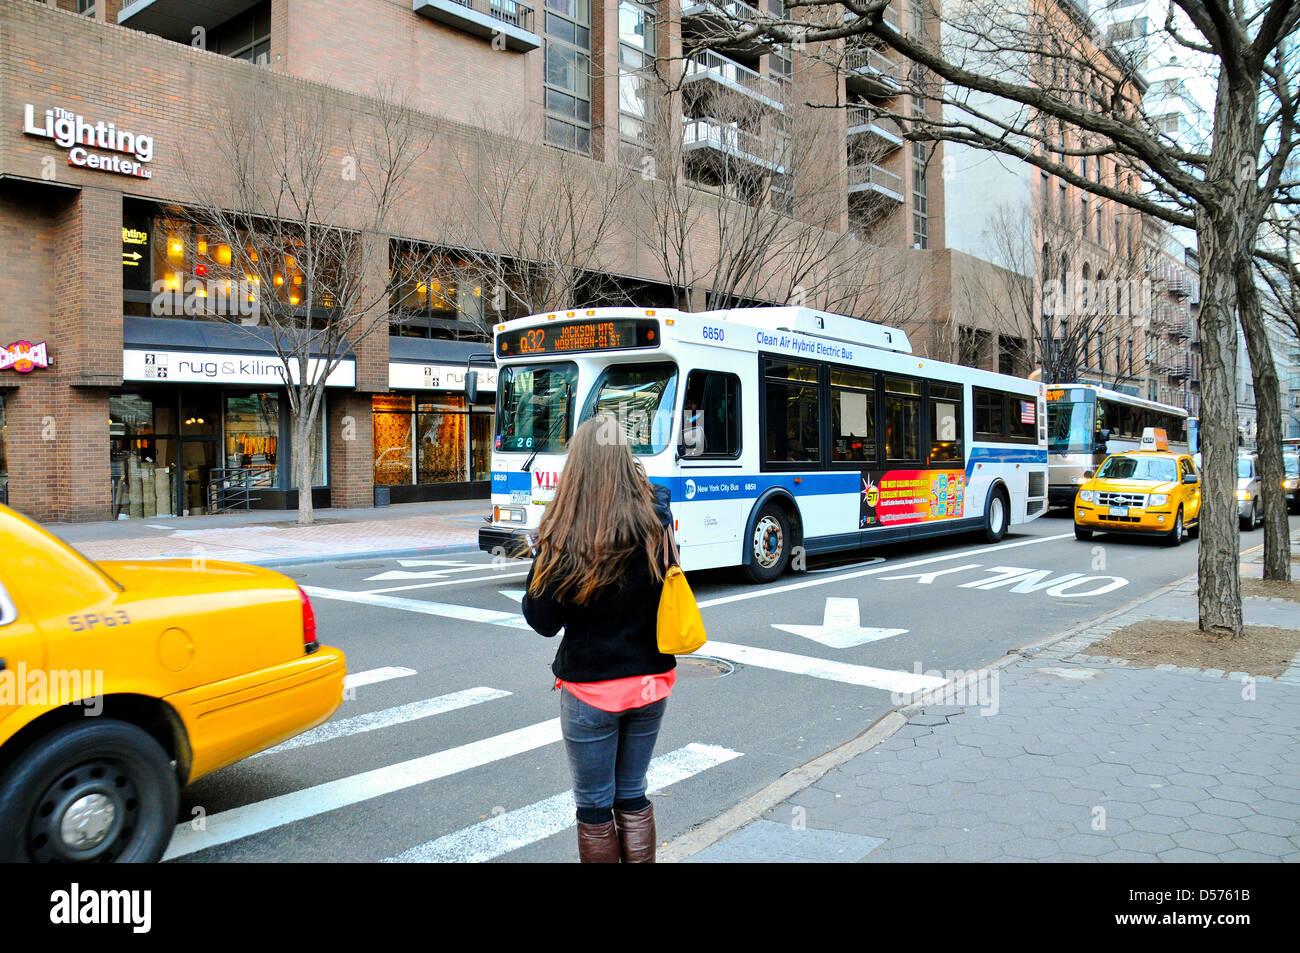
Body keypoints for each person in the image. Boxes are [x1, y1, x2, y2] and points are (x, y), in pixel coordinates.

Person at [521, 414, 675, 863]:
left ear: (579, 464)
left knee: (594, 806)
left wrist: (543, 553)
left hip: (591, 691)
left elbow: (543, 619)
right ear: (627, 458)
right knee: (632, 793)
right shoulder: (656, 519)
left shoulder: (566, 529)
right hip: (651, 683)